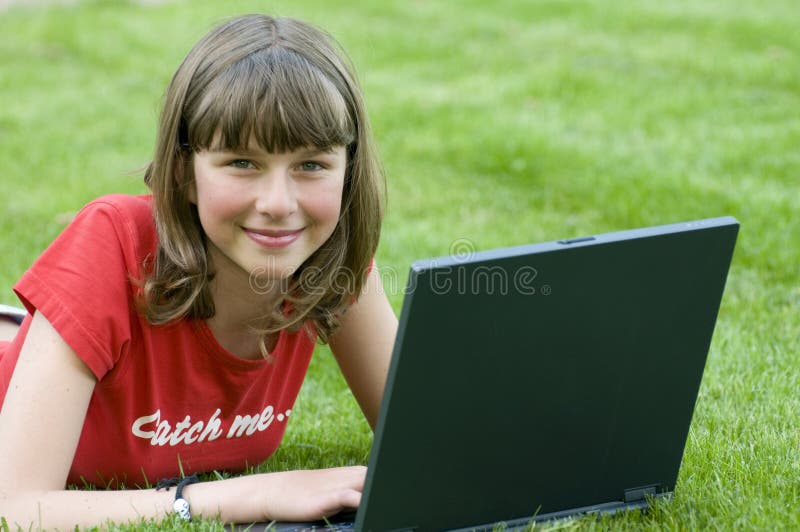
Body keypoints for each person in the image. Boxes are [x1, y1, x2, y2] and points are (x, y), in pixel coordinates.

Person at [0, 14, 398, 529]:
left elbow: (435, 443)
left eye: (312, 165)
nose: (278, 203)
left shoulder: (326, 257)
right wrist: (248, 495)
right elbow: (18, 507)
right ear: (185, 172)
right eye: (241, 163)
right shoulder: (114, 241)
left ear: (348, 172)